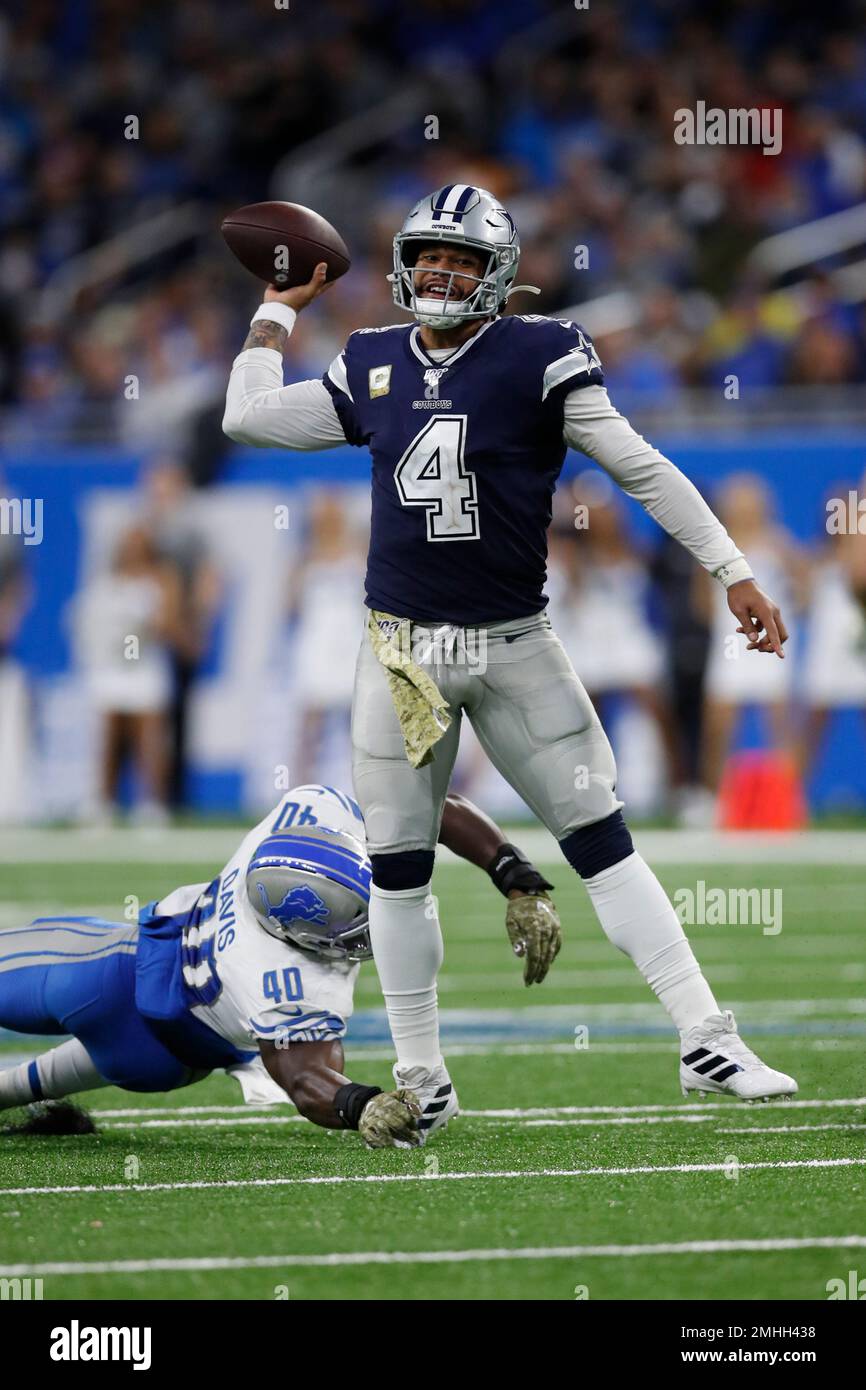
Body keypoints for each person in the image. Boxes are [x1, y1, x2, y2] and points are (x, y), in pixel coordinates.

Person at [223, 184, 797, 1127]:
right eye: (430, 255)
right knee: (400, 873)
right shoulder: (369, 361)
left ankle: (708, 1039)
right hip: (401, 653)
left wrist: (728, 568)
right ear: (406, 263)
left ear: (498, 275)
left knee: (604, 843)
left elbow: (639, 465)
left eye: (463, 258)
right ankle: (424, 1078)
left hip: (515, 646)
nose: (443, 272)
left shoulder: (540, 353)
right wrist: (276, 309)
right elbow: (246, 418)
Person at [0, 785, 559, 1148]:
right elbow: (303, 1079)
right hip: (155, 1055)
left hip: (105, 977)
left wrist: (516, 874)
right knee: (16, 1088)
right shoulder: (278, 975)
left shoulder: (312, 811)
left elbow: (426, 806)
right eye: (357, 926)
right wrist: (361, 1103)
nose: (370, 937)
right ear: (304, 932)